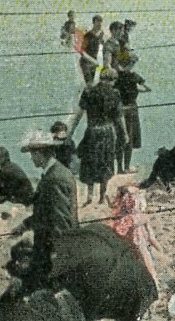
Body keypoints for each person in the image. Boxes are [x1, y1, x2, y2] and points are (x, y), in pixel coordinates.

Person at [11, 129, 80, 286]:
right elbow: (46, 212)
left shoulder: (55, 178)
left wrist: (58, 256)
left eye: (32, 154)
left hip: (52, 247)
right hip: (50, 245)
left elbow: (60, 219)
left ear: (41, 153)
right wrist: (25, 225)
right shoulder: (57, 172)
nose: (31, 159)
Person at [70, 66, 121, 206]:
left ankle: (89, 196)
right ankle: (101, 197)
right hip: (107, 131)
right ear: (113, 80)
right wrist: (125, 134)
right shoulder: (114, 93)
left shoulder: (88, 91)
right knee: (106, 162)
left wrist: (71, 133)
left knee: (90, 163)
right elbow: (118, 117)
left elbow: (78, 115)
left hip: (92, 131)